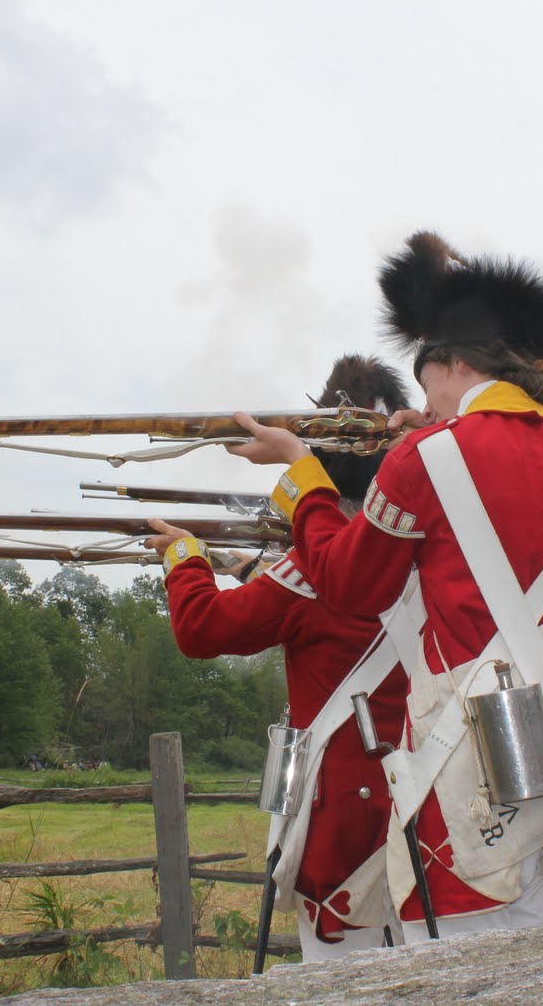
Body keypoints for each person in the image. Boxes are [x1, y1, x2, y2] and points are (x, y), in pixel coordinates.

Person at [226, 231, 543, 938]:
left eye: (429, 384)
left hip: (469, 779)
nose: (426, 404)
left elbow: (348, 581)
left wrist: (304, 471)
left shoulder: (426, 457)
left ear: (453, 364)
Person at [147, 355, 413, 960]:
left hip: (345, 825)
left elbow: (200, 628)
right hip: (432, 809)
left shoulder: (312, 571)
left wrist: (185, 557)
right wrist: (242, 567)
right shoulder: (432, 553)